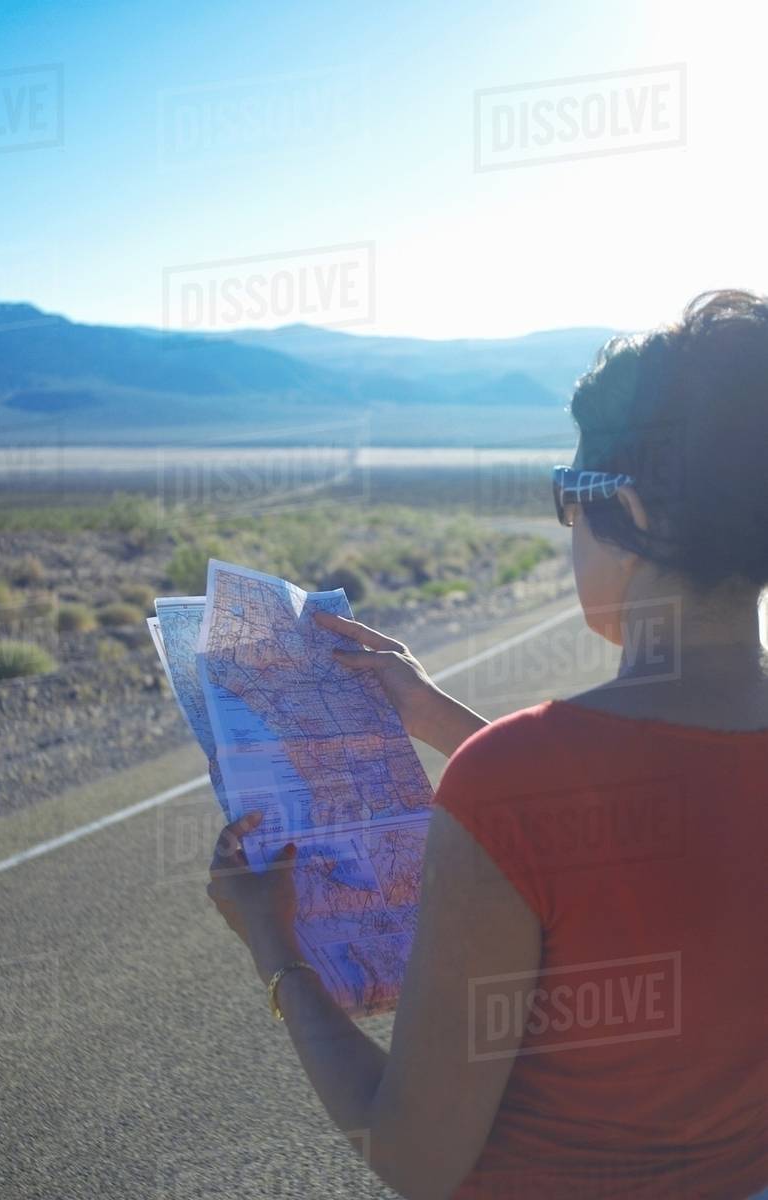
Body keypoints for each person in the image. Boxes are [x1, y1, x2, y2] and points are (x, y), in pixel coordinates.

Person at [206, 289, 768, 1200]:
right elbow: (659, 823)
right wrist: (432, 716)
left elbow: (413, 1158)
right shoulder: (522, 785)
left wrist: (274, 946)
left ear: (625, 508)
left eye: (566, 503)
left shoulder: (512, 787)